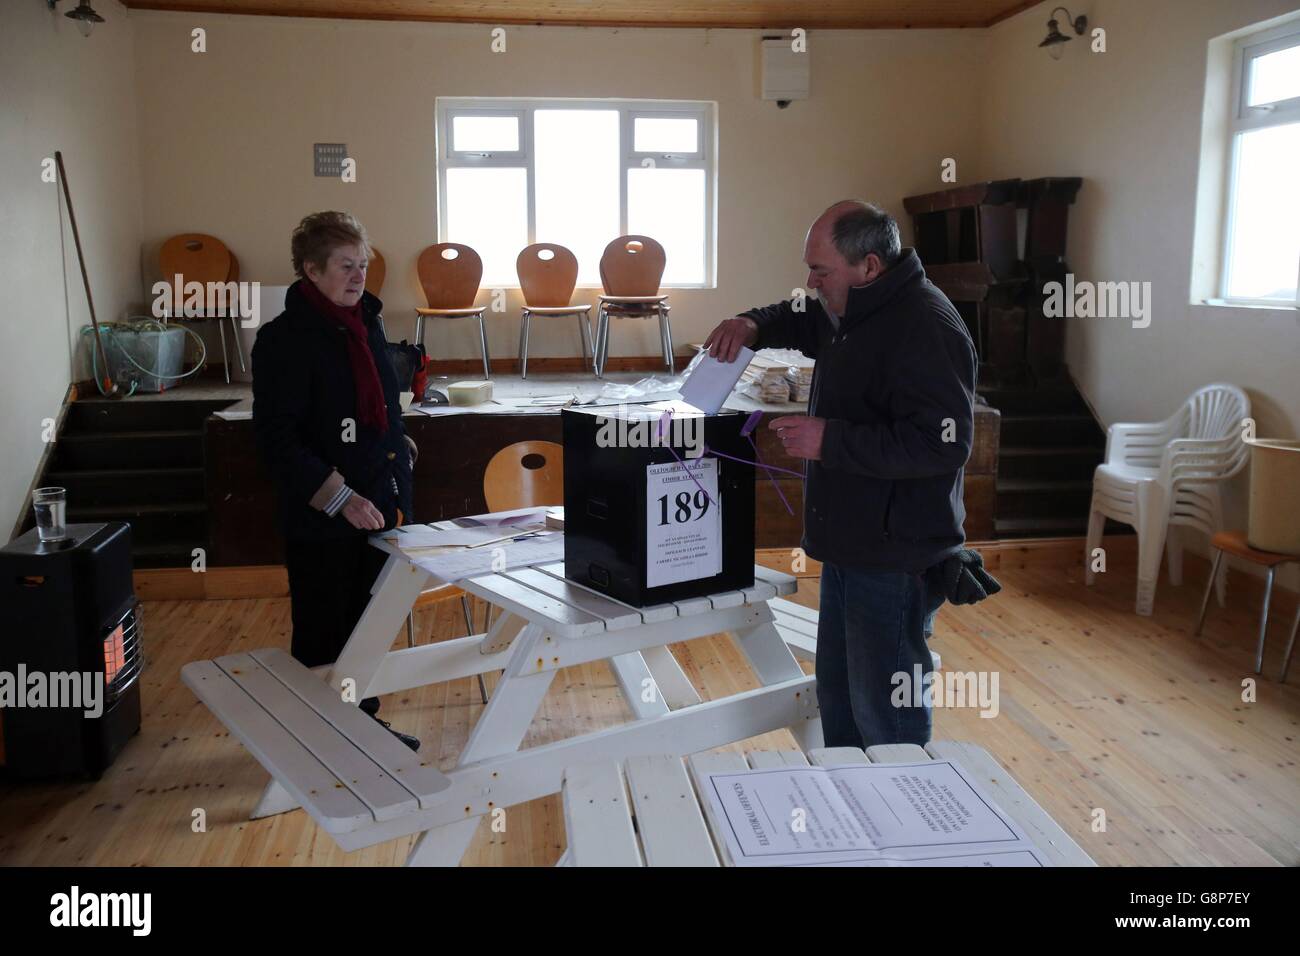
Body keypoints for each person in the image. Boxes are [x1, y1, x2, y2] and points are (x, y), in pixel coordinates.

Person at [704, 200, 976, 748]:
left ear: (869, 266)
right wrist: (752, 322)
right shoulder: (851, 305)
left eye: (820, 270)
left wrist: (831, 439)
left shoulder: (924, 324)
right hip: (851, 540)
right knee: (841, 692)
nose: (811, 281)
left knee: (886, 707)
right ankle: (852, 812)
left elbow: (944, 443)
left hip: (897, 550)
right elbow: (799, 312)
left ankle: (905, 820)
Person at [252, 210, 420, 752]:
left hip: (378, 498)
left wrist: (398, 454)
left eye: (363, 265)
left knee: (365, 630)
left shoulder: (366, 321)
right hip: (323, 516)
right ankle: (318, 741)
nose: (359, 276)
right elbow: (278, 441)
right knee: (325, 632)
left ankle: (359, 728)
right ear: (311, 270)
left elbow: (382, 405)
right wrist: (339, 496)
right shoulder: (284, 340)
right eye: (346, 266)